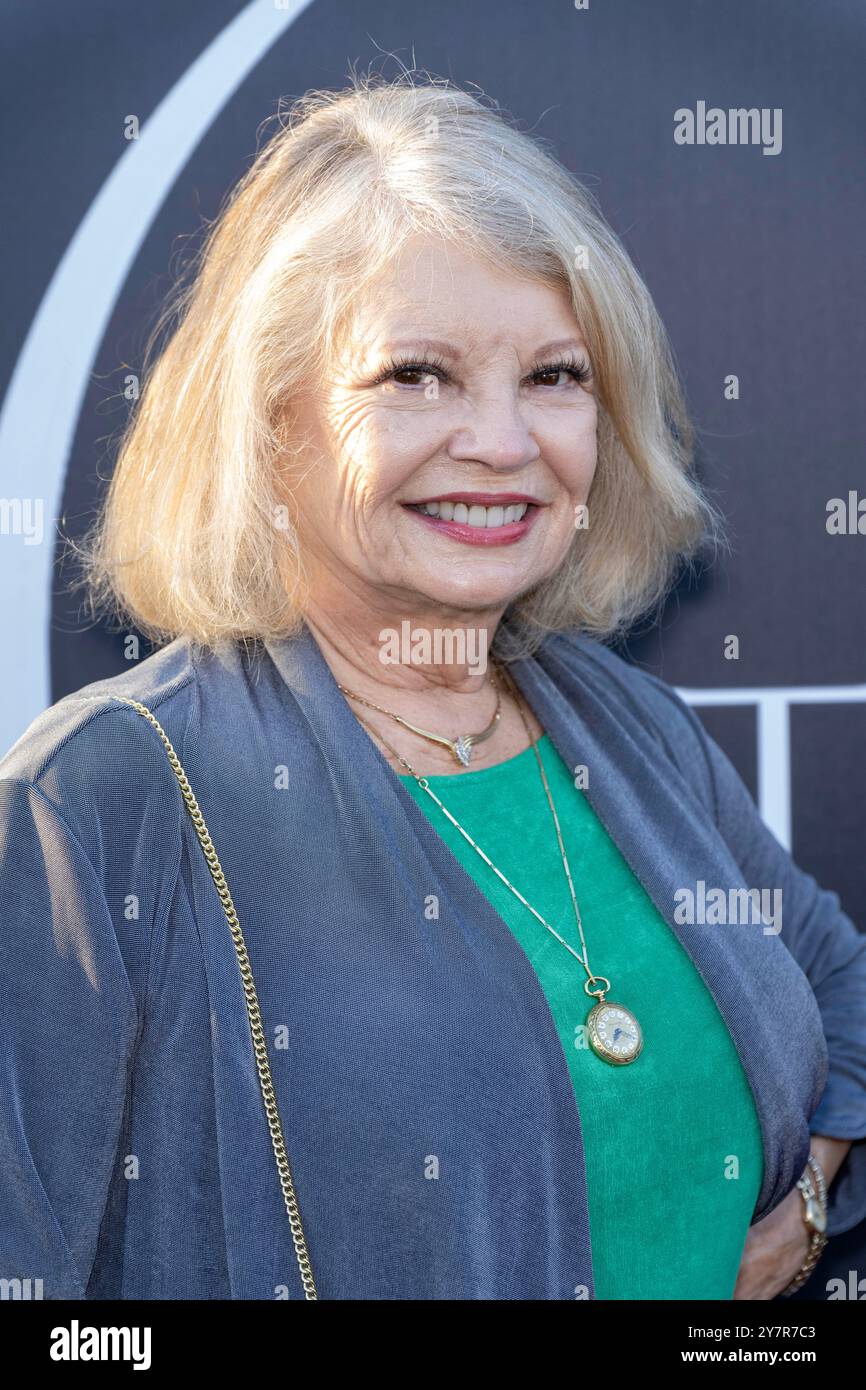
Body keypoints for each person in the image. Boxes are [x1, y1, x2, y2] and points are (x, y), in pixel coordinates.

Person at [1, 73, 864, 1301]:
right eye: (416, 375)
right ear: (272, 424)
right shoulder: (92, 803)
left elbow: (834, 978)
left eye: (555, 377)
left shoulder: (627, 726)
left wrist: (805, 1192)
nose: (503, 444)